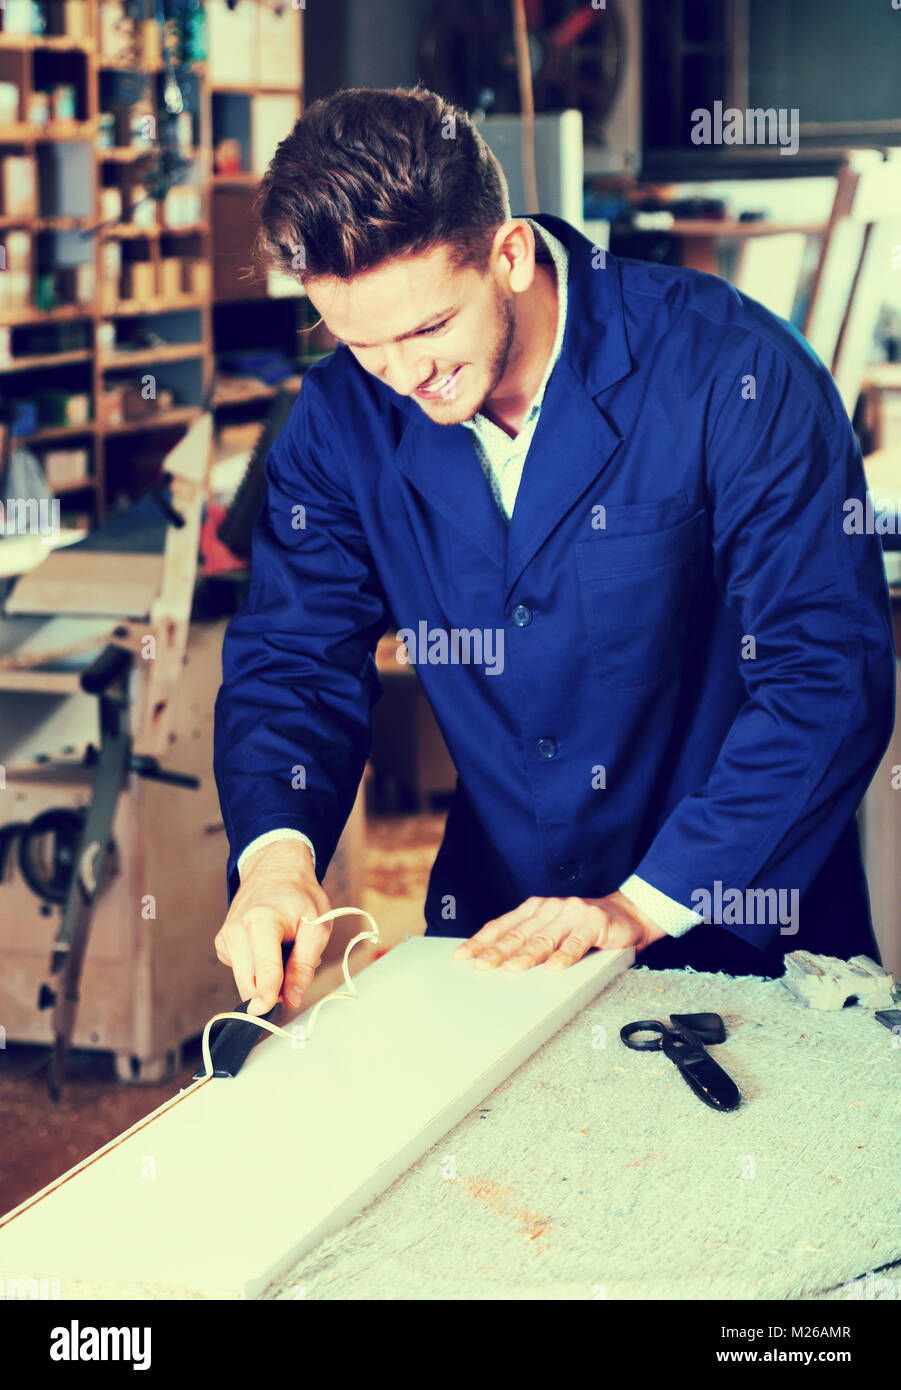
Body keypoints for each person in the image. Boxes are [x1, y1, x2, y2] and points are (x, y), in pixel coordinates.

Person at [212, 85, 895, 1018]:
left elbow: (825, 676)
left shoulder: (736, 373)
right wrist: (277, 857)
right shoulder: (339, 415)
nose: (406, 377)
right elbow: (295, 659)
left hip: (742, 920)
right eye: (363, 342)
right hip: (506, 928)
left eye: (427, 328)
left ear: (508, 254)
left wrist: (638, 907)